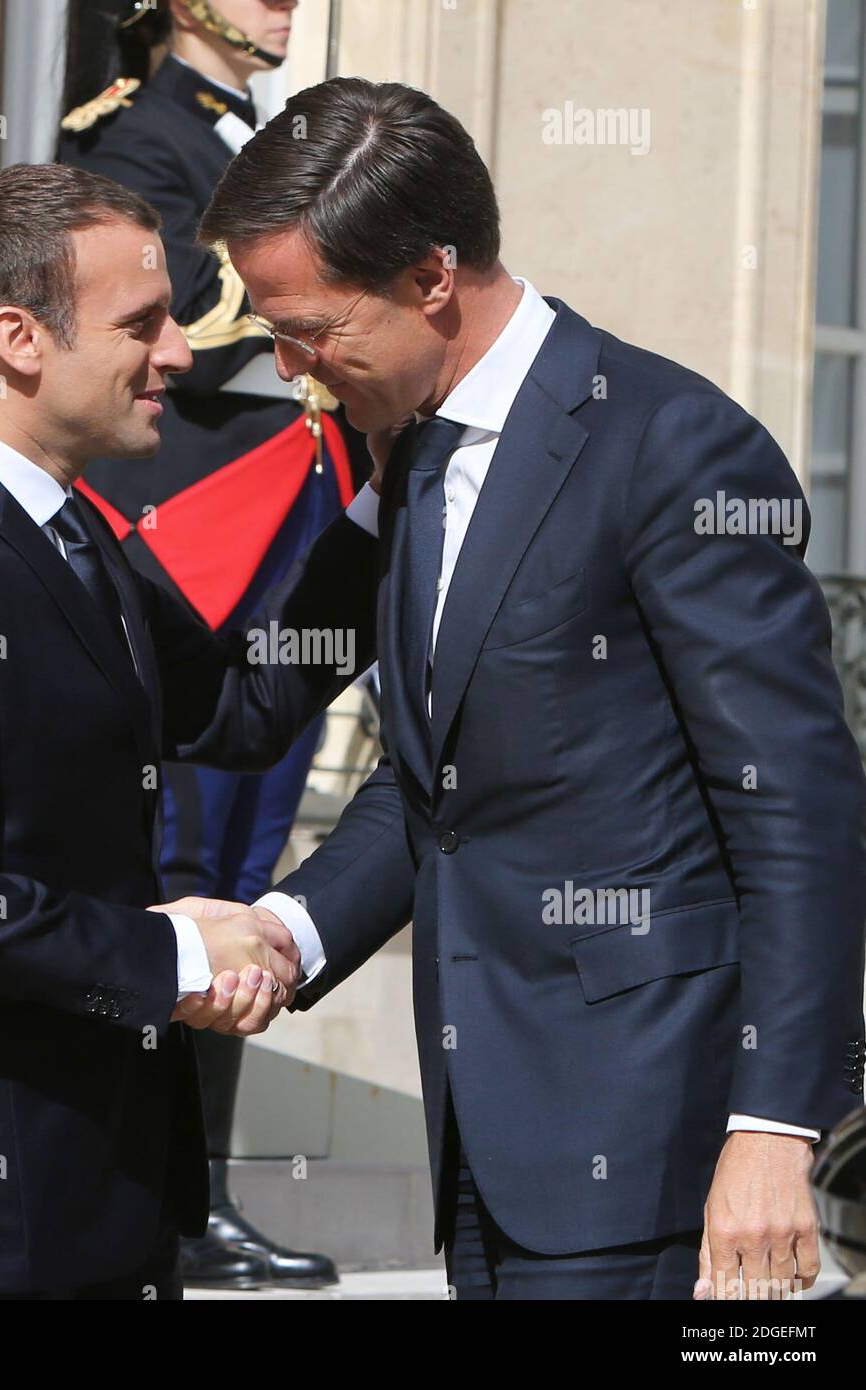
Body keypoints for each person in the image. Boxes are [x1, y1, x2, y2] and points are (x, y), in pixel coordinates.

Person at [178, 76, 866, 1300]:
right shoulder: (407, 454)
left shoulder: (670, 446)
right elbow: (437, 786)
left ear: (432, 278)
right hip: (482, 1157)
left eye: (310, 329)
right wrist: (287, 931)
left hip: (649, 1152)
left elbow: (799, 812)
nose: (290, 369)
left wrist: (773, 1126)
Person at [0, 161, 378, 1299]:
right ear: (19, 337)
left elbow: (236, 707)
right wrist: (168, 955)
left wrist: (383, 503)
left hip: (97, 1186)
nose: (178, 353)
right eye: (144, 322)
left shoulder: (74, 528)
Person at [58, 0, 352, 1288]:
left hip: (284, 533)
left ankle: (199, 1195)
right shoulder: (134, 134)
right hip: (197, 541)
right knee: (176, 862)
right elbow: (197, 318)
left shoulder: (266, 134)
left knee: (242, 863)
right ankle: (160, 1196)